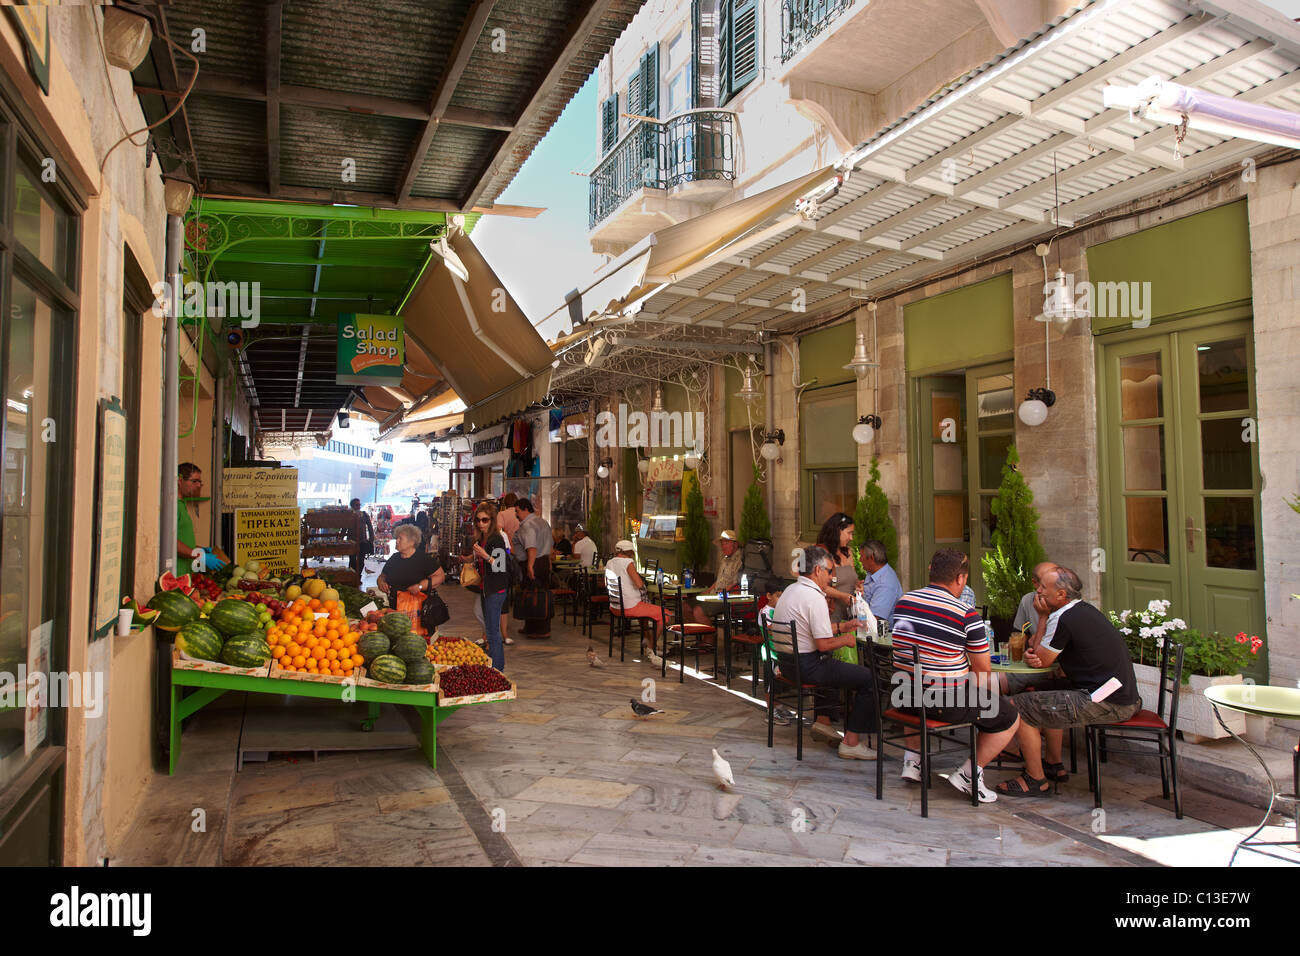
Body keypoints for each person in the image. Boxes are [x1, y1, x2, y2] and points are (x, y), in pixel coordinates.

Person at [995, 566, 1141, 798]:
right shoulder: (1083, 611)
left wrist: (1042, 618)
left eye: (1044, 587)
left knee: (1018, 707)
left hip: (1106, 702)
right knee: (1043, 692)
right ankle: (1053, 763)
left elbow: (1040, 659)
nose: (1039, 592)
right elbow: (1041, 655)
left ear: (1061, 595)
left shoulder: (1064, 618)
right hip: (1119, 696)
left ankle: (1035, 779)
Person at [890, 548, 1021, 803]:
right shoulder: (965, 613)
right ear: (961, 578)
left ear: (931, 571)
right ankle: (969, 774)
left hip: (901, 696)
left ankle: (913, 761)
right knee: (1009, 717)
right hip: (942, 702)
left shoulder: (904, 601)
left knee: (915, 680)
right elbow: (982, 668)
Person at [771, 545, 879, 761]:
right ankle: (851, 742)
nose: (832, 577)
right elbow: (823, 644)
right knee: (869, 678)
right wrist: (846, 640)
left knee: (835, 665)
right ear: (818, 571)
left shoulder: (791, 591)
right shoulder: (814, 597)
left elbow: (810, 630)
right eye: (830, 571)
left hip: (787, 664)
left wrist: (842, 627)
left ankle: (824, 722)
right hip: (807, 666)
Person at [811, 512, 858, 741]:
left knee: (846, 659)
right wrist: (841, 595)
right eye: (848, 533)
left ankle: (844, 711)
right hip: (829, 611)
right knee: (827, 657)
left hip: (848, 611)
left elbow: (850, 579)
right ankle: (824, 718)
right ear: (837, 530)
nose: (850, 538)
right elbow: (813, 583)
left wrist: (857, 587)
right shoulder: (820, 551)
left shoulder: (848, 553)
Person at [604, 539, 664, 666]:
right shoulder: (628, 562)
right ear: (630, 552)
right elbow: (639, 584)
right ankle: (651, 648)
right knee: (664, 614)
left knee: (645, 611)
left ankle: (647, 638)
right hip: (629, 606)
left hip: (615, 606)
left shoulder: (609, 562)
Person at [466, 503, 509, 671]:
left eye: (485, 520)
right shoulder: (482, 538)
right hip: (487, 588)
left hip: (495, 590)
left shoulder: (496, 539)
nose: (481, 523)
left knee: (492, 633)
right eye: (478, 520)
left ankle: (497, 669)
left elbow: (500, 566)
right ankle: (494, 666)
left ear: (492, 520)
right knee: (490, 631)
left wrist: (485, 556)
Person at [377, 523, 445, 610]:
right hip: (394, 608)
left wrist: (420, 586)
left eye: (400, 538)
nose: (397, 541)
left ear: (412, 542)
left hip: (416, 610)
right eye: (396, 538)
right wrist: (381, 583)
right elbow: (382, 576)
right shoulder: (394, 558)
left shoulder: (423, 559)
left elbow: (440, 576)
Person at [512, 498, 554, 639]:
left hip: (533, 562)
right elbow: (550, 546)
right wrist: (548, 562)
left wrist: (530, 566)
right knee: (542, 593)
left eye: (517, 511)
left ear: (525, 509)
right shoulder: (542, 522)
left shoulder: (528, 525)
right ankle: (533, 627)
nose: (516, 515)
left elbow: (531, 547)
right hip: (543, 561)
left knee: (533, 594)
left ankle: (538, 630)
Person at [176, 463, 225, 576]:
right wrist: (199, 555)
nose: (199, 485)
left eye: (200, 482)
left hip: (187, 573)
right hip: (176, 574)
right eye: (194, 481)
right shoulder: (173, 506)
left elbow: (182, 540)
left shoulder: (182, 505)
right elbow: (170, 542)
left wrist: (200, 549)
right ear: (179, 480)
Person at [688, 530, 745, 626]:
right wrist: (709, 589)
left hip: (725, 598)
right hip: (714, 593)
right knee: (686, 606)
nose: (723, 546)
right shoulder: (724, 559)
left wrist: (721, 593)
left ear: (735, 544)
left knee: (698, 611)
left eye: (726, 543)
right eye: (722, 544)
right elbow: (719, 579)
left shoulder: (740, 560)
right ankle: (701, 633)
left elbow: (736, 583)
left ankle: (709, 638)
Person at [1012, 561, 1059, 641]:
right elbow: (1019, 634)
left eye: (1057, 581)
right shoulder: (1028, 600)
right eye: (1047, 582)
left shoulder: (1067, 602)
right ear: (1035, 583)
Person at [859, 539, 902, 625]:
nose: (860, 560)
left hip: (882, 634)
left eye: (861, 556)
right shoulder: (874, 572)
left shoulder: (885, 583)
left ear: (871, 557)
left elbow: (873, 619)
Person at [349, 498, 374, 572]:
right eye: (357, 505)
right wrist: (341, 537)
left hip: (362, 541)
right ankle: (352, 577)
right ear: (352, 505)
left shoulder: (364, 514)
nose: (359, 506)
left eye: (359, 504)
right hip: (351, 541)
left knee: (361, 561)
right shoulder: (349, 515)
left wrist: (371, 538)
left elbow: (370, 527)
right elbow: (345, 527)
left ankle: (358, 576)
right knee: (352, 560)